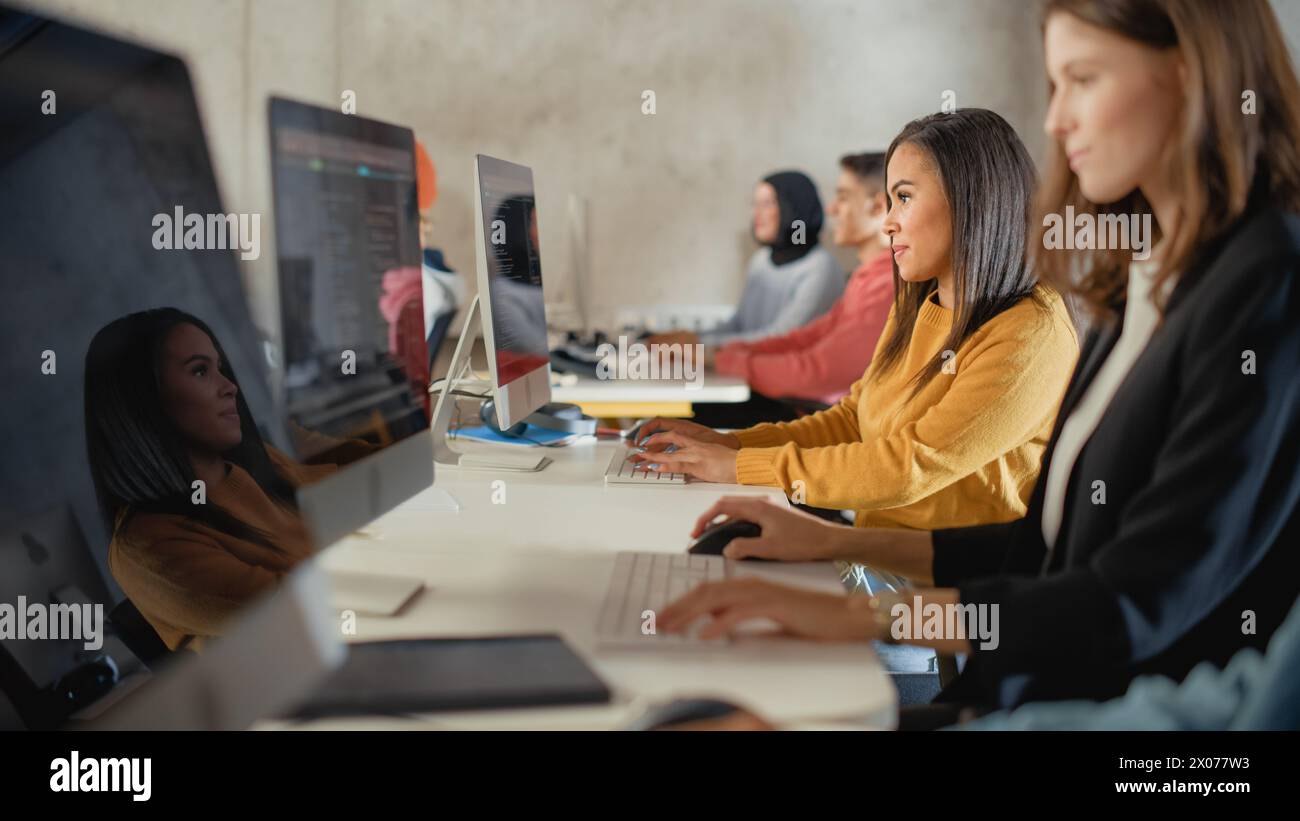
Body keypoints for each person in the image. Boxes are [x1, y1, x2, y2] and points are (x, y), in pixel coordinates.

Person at [656, 0, 1300, 729]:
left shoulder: (1263, 283)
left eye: (1081, 80)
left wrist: (871, 616)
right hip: (1019, 685)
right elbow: (1040, 550)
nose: (1056, 121)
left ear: (1192, 74)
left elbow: (1128, 602)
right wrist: (832, 540)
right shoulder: (1139, 284)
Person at [633, 109, 1079, 539]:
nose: (887, 223)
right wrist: (731, 446)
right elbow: (853, 420)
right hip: (875, 560)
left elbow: (910, 465)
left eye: (903, 198)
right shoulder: (920, 304)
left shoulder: (1030, 332)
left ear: (972, 201)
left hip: (943, 593)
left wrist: (736, 467)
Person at [86, 309, 362, 652]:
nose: (230, 387)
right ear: (142, 398)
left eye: (221, 369)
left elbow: (350, 488)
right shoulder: (146, 548)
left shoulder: (256, 463)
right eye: (200, 370)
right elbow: (301, 606)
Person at [690, 153, 895, 429]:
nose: (832, 209)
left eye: (843, 197)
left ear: (878, 207)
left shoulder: (883, 284)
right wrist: (714, 351)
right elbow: (804, 337)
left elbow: (818, 370)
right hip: (814, 409)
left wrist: (722, 358)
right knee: (689, 417)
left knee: (692, 420)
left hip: (825, 420)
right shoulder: (864, 277)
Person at [645, 171, 843, 350]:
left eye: (767, 204)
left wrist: (697, 345)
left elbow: (783, 338)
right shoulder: (761, 262)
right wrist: (692, 336)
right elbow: (740, 325)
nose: (756, 214)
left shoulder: (820, 268)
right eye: (754, 204)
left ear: (794, 208)